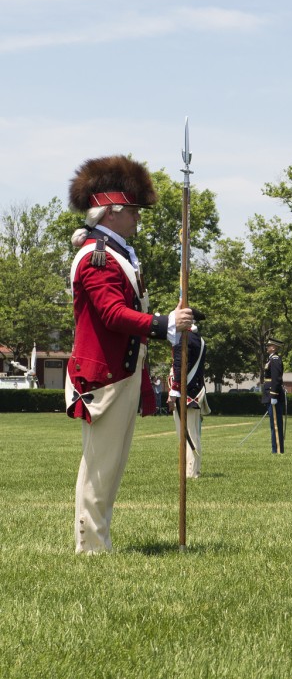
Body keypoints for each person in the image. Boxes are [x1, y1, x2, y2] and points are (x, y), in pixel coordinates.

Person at [64, 155, 194, 554]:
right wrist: (162, 323)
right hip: (104, 375)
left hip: (119, 372)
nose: (138, 218)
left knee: (112, 466)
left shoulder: (115, 253)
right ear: (113, 212)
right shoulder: (96, 256)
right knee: (100, 468)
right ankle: (90, 547)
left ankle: (99, 541)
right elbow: (111, 313)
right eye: (133, 211)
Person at [168, 317, 209, 478]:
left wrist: (173, 391)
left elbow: (179, 366)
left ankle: (190, 472)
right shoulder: (199, 339)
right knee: (193, 433)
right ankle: (194, 469)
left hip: (185, 393)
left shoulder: (183, 338)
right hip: (195, 391)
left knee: (186, 435)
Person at [262, 337, 286, 453]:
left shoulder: (275, 360)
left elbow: (276, 379)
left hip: (273, 395)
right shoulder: (271, 359)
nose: (267, 347)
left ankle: (277, 449)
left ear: (274, 347)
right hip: (269, 394)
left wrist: (273, 395)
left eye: (269, 346)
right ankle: (275, 448)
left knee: (276, 424)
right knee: (273, 424)